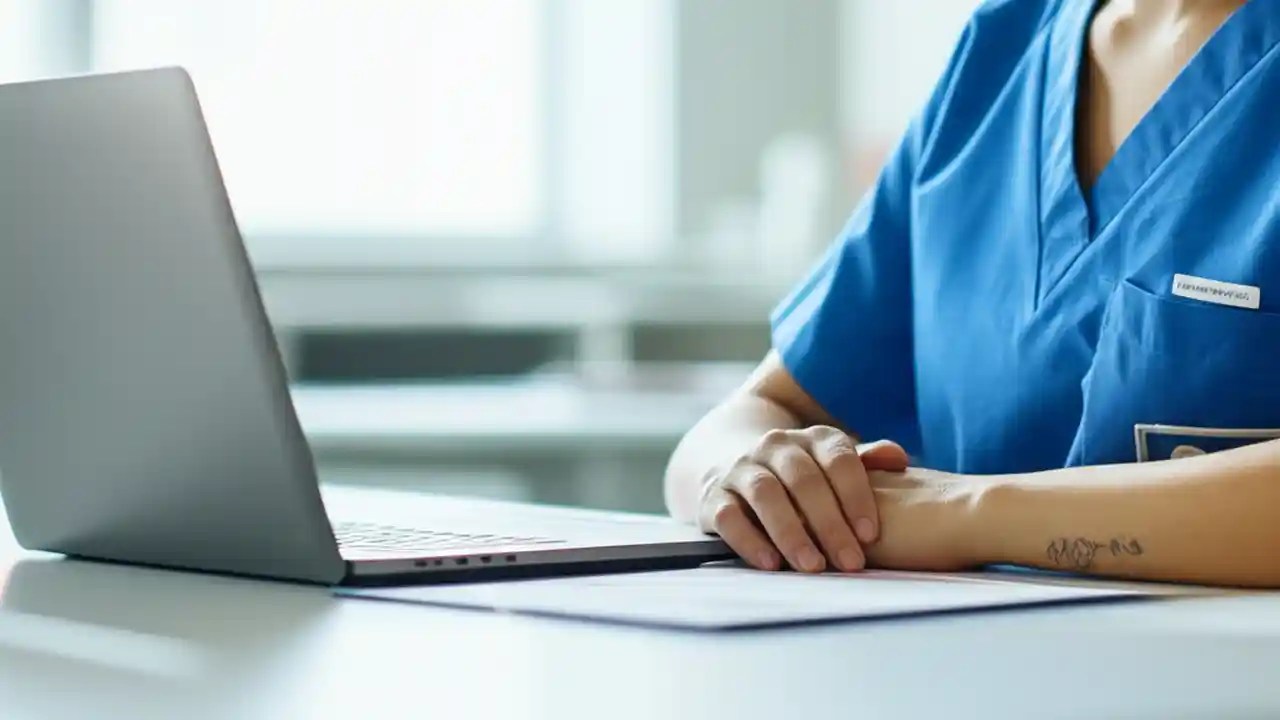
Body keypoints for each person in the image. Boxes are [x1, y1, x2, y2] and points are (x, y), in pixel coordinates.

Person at [665, 0, 1280, 588]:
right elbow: (754, 415)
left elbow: (940, 514)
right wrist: (760, 476)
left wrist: (968, 513)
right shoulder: (1003, 50)